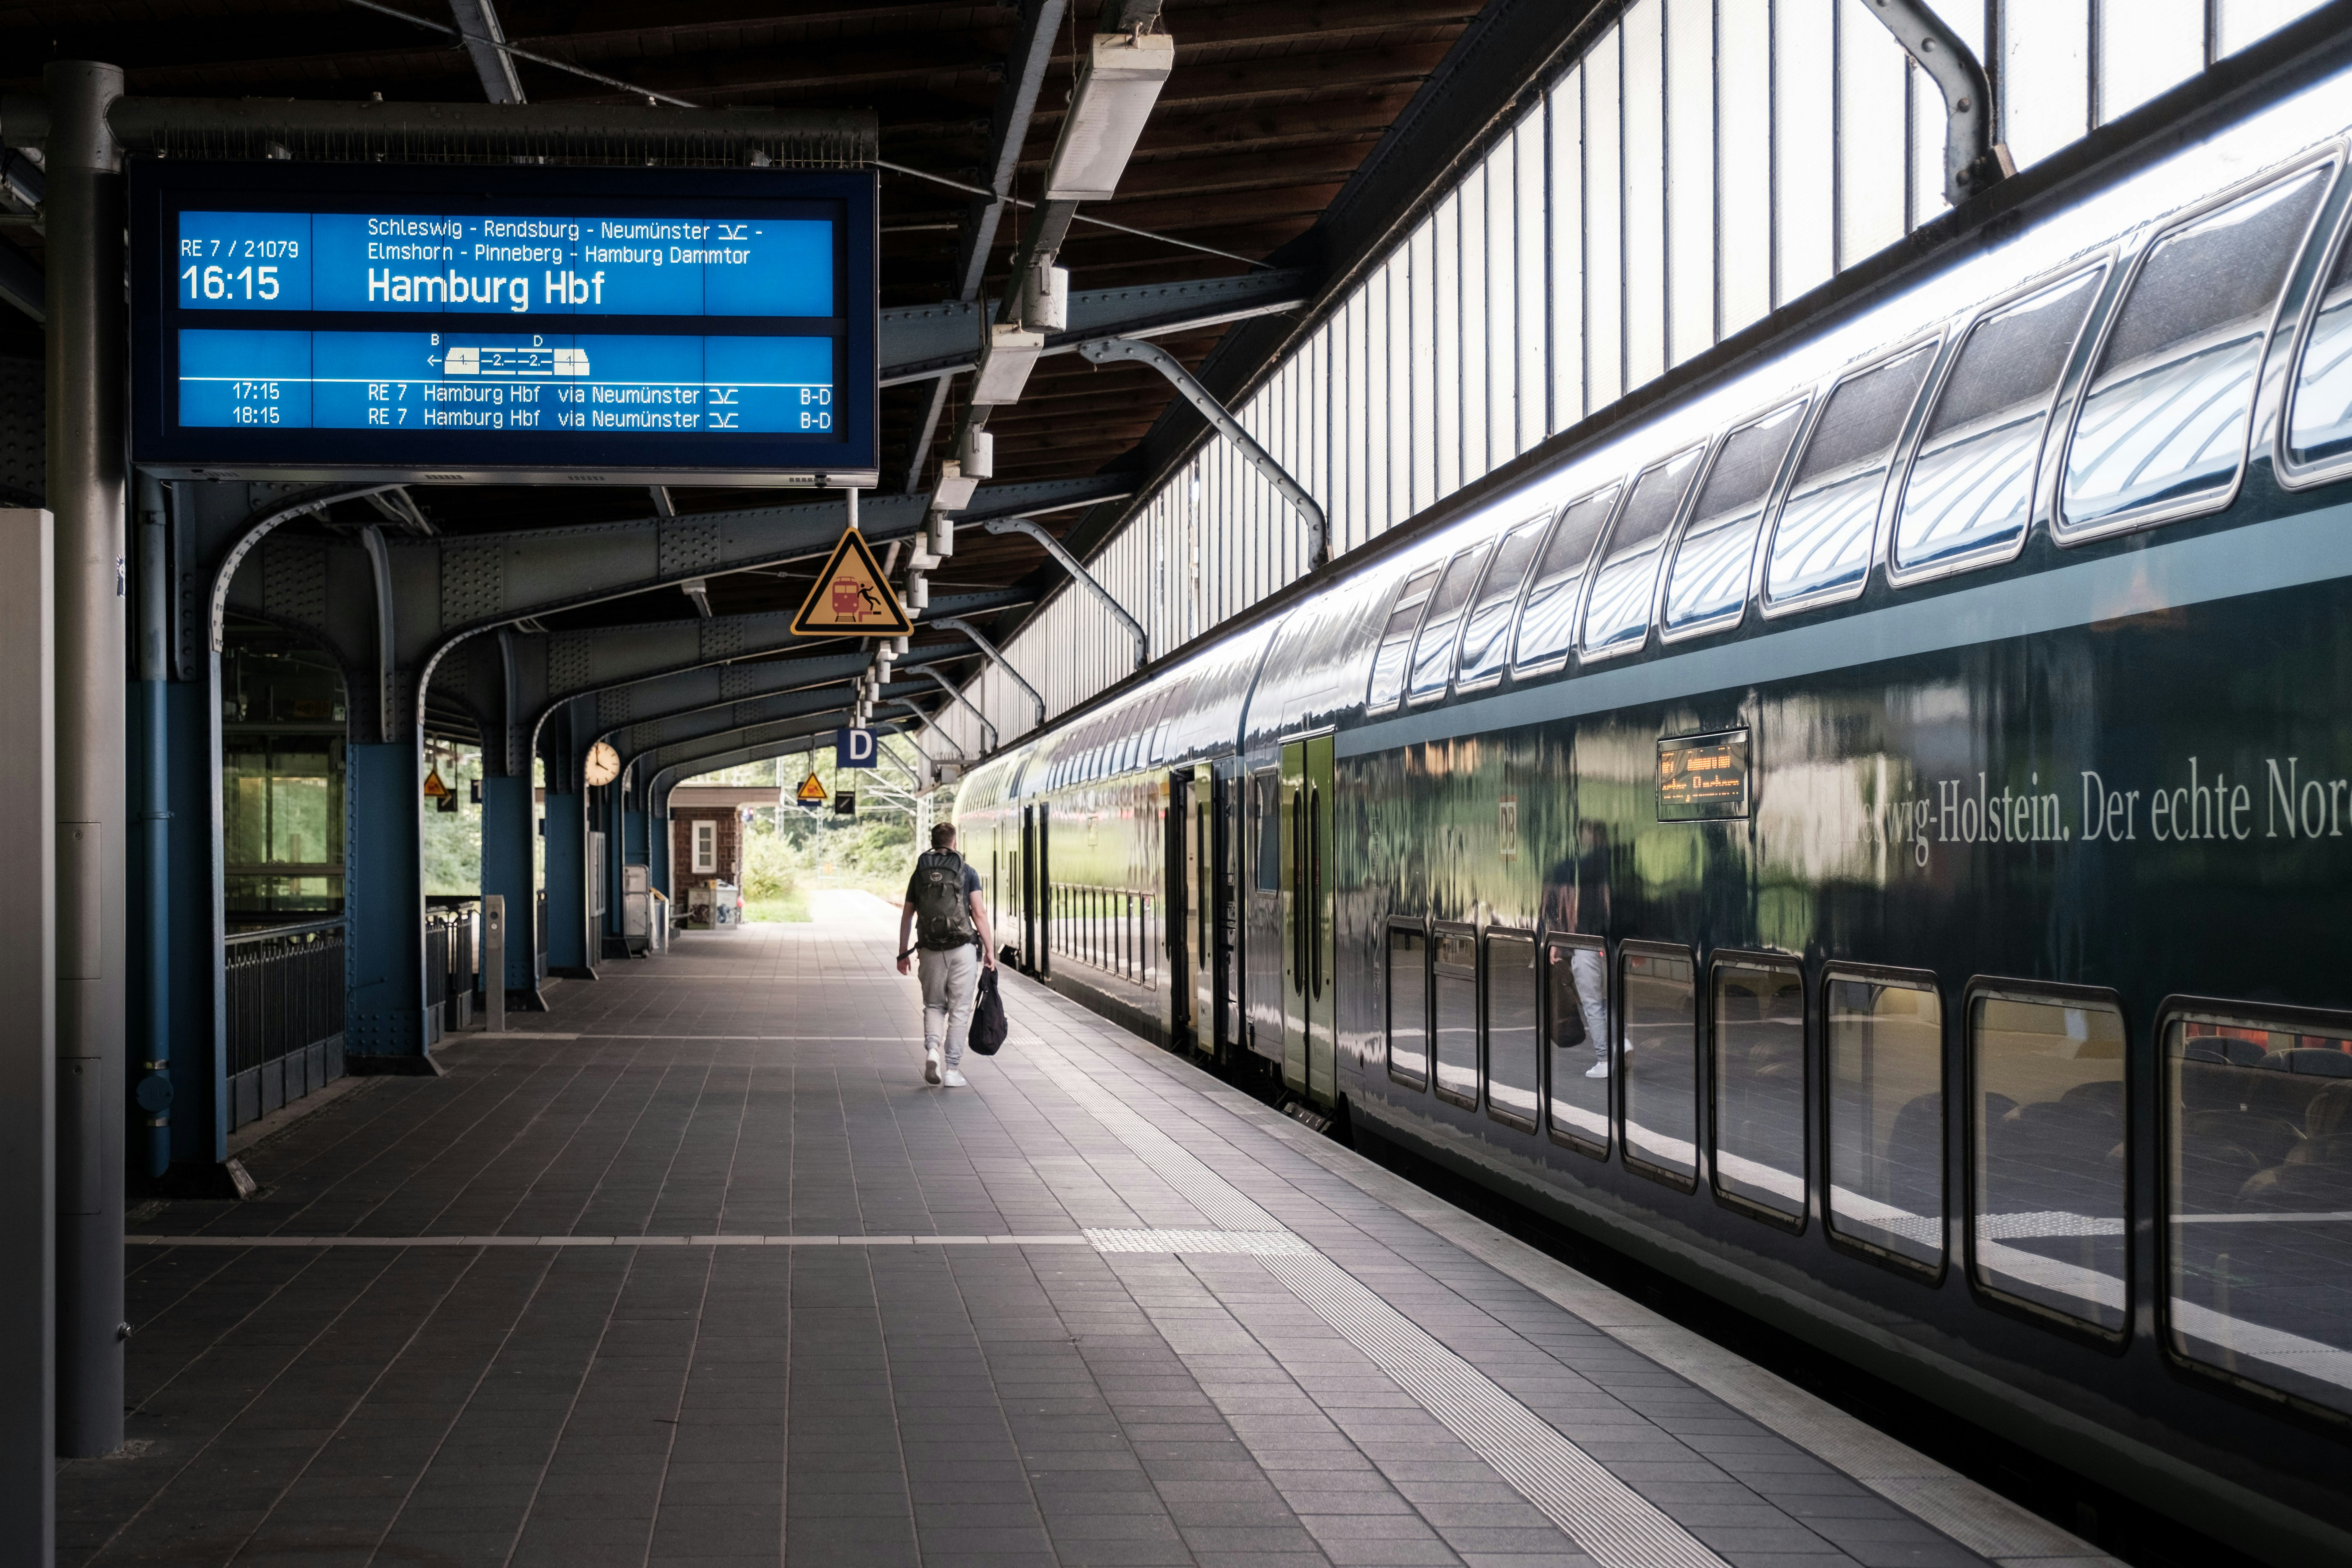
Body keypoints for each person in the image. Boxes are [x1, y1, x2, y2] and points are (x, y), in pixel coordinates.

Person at [897, 823, 997, 1087]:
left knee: (934, 1005)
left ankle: (932, 1051)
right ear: (954, 842)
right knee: (959, 1010)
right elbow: (979, 913)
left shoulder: (919, 874)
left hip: (929, 949)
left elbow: (908, 916)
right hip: (962, 949)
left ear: (932, 842)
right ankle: (952, 1069)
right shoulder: (968, 871)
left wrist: (902, 954)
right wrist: (990, 949)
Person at [1543, 819, 1615, 1079]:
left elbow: (1567, 909)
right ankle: (1622, 1044)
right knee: (1610, 1002)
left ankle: (1605, 1059)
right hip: (1612, 945)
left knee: (1593, 1004)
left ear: (1588, 836)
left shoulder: (1578, 868)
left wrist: (1559, 945)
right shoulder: (1614, 865)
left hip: (1587, 944)